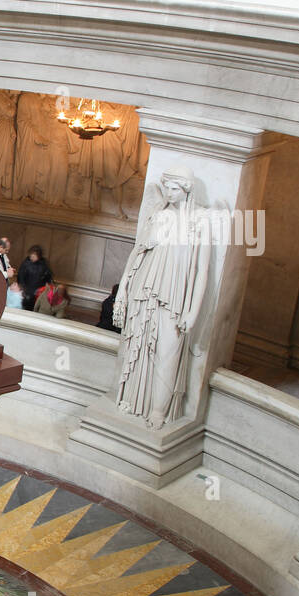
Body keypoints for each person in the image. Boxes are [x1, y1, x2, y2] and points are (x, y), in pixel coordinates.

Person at [113, 166, 213, 429]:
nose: (169, 192)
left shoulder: (200, 220)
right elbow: (137, 254)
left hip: (175, 294)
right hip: (145, 288)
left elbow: (203, 270)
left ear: (187, 189)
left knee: (168, 351)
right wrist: (123, 289)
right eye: (166, 187)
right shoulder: (159, 215)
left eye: (175, 188)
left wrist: (193, 312)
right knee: (142, 345)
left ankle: (158, 410)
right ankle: (136, 400)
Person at [17, 245, 52, 312]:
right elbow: (21, 276)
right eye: (31, 255)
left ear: (39, 256)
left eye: (34, 256)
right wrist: (22, 287)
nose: (31, 257)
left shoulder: (44, 264)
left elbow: (48, 277)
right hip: (27, 288)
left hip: (39, 290)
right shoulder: (26, 263)